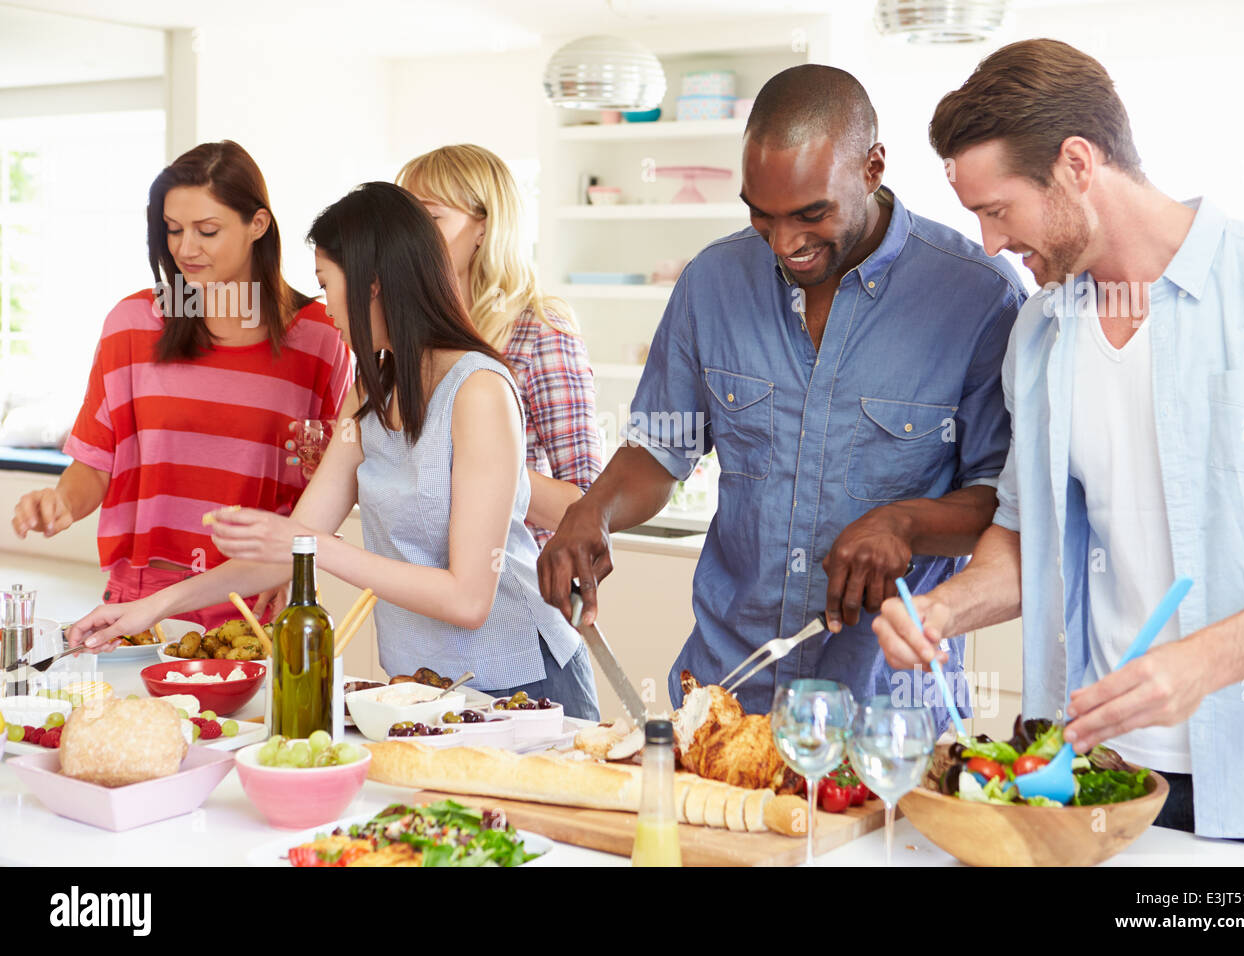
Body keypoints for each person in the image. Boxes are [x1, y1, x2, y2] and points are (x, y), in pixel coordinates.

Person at [873, 38, 1244, 847]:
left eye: (998, 211)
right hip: (1091, 771)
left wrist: (1202, 664)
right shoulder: (1039, 334)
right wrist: (942, 610)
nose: (991, 244)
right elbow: (1025, 540)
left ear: (1075, 162)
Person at [537, 65, 1026, 724]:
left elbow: (1002, 502)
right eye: (761, 215)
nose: (786, 243)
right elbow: (660, 454)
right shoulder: (713, 281)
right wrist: (591, 512)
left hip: (886, 718)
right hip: (724, 696)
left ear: (873, 167)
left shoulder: (977, 296)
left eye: (811, 214)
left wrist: (903, 523)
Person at [70, 181, 600, 720]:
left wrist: (313, 545)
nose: (325, 308)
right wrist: (149, 608)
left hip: (524, 680)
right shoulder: (374, 390)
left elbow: (468, 599)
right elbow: (290, 545)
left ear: (372, 284)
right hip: (424, 684)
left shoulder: (480, 390)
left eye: (326, 286)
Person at [13, 140, 352, 631]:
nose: (185, 249)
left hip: (258, 604)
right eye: (172, 230)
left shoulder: (320, 336)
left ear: (258, 224)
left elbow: (328, 483)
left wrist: (294, 565)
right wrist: (61, 503)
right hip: (142, 599)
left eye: (207, 231)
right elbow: (95, 463)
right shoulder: (133, 325)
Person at [397, 145, 601, 546]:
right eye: (406, 219)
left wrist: (476, 463)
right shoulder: (406, 333)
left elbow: (584, 504)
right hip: (420, 581)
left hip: (516, 589)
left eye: (431, 217)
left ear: (484, 228)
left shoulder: (540, 331)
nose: (410, 236)